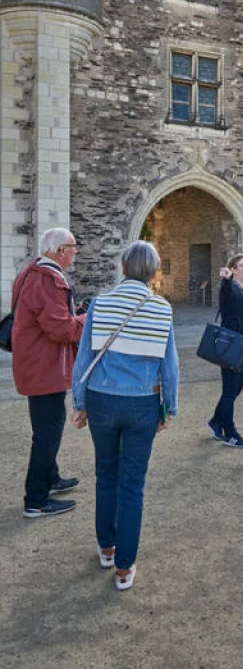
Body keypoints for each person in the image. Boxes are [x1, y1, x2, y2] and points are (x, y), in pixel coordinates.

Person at [71, 241, 179, 590]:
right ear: (153, 273)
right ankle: (124, 566)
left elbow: (84, 360)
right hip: (142, 404)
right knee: (133, 483)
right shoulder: (162, 309)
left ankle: (107, 547)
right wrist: (169, 408)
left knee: (106, 472)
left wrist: (79, 402)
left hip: (102, 399)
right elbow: (170, 367)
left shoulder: (101, 304)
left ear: (123, 267)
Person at [11, 227, 86, 518]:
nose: (75, 251)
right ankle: (36, 499)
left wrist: (73, 311)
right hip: (45, 368)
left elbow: (47, 317)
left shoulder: (30, 274)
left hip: (36, 364)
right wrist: (85, 318)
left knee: (46, 429)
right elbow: (61, 329)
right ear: (59, 251)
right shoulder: (48, 280)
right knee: (47, 433)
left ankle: (50, 478)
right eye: (73, 245)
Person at [206, 253, 243, 448]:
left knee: (236, 388)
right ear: (234, 270)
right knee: (229, 390)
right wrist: (226, 279)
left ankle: (216, 421)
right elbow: (226, 295)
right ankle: (230, 433)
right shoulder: (230, 290)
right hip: (231, 347)